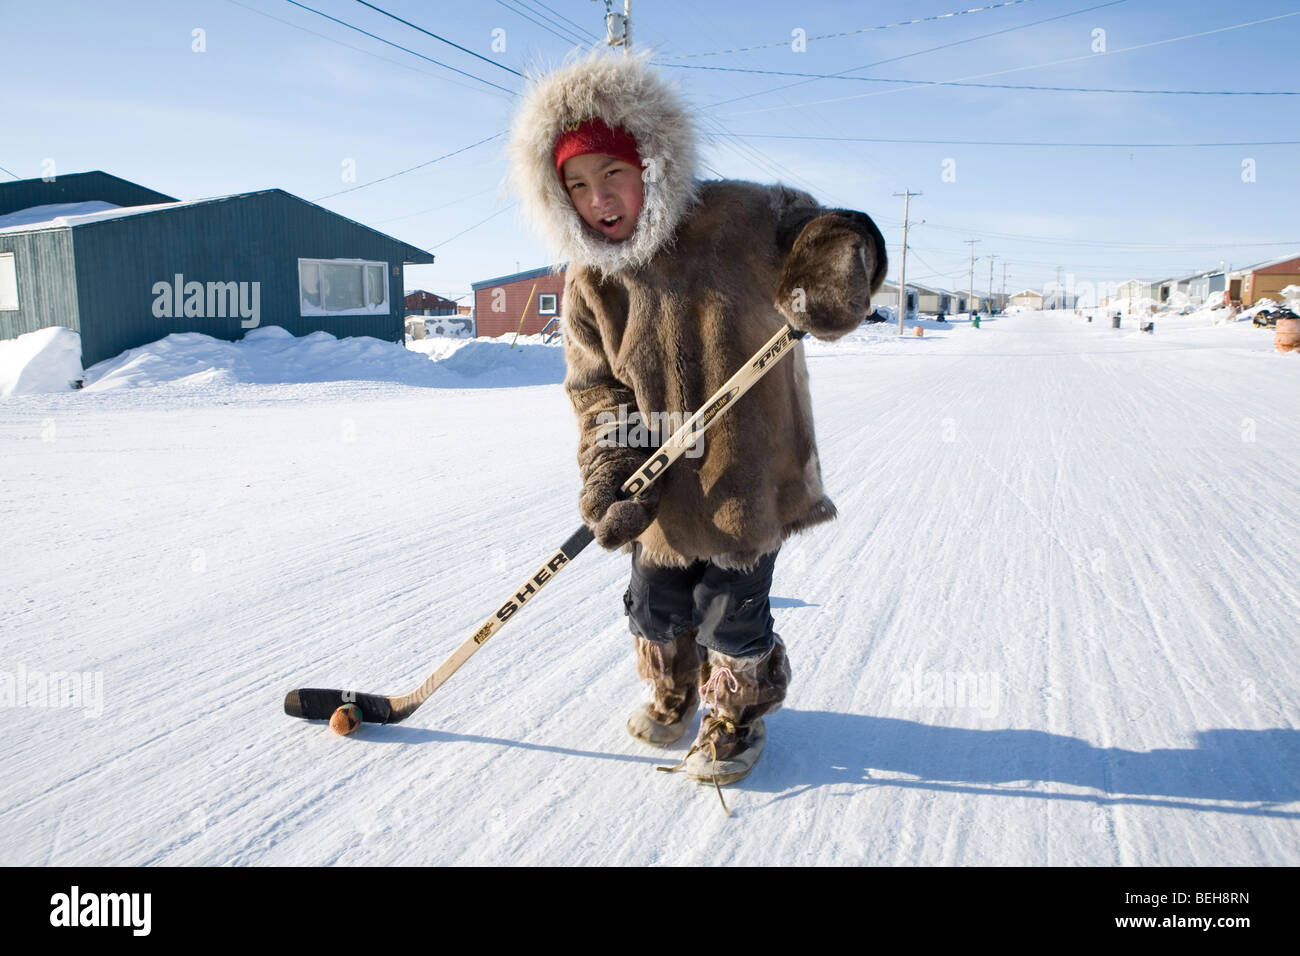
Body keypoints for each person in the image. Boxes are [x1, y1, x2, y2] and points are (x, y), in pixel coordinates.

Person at [507, 50, 887, 787]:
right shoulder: (592, 283)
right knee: (654, 607)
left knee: (729, 614)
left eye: (612, 172)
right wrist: (614, 469)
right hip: (660, 489)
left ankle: (735, 711)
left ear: (651, 160)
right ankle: (676, 683)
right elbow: (598, 392)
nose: (599, 198)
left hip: (749, 476)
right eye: (577, 186)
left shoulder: (745, 216)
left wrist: (838, 264)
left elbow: (831, 242)